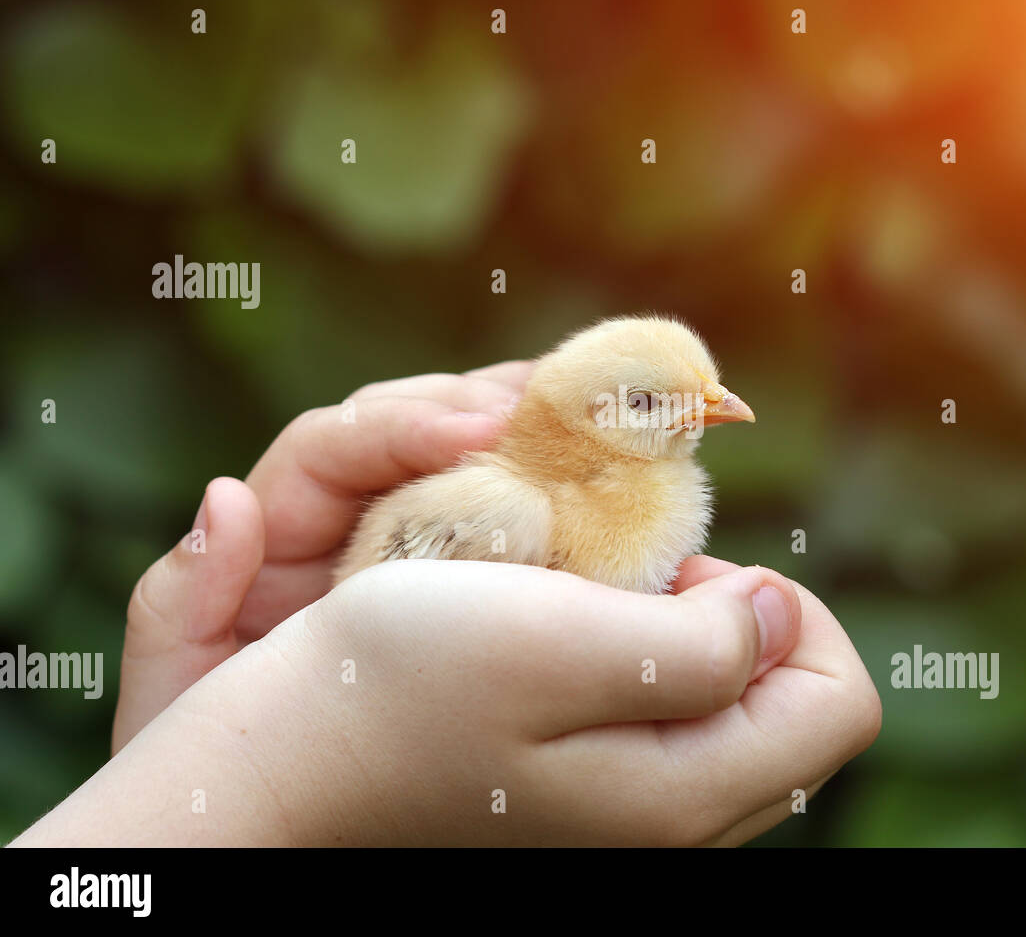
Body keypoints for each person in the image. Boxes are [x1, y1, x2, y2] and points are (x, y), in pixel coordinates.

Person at [11, 362, 880, 846]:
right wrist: (289, 759)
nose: (714, 404)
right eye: (653, 400)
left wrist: (213, 755)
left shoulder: (618, 500)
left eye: (707, 386)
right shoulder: (507, 509)